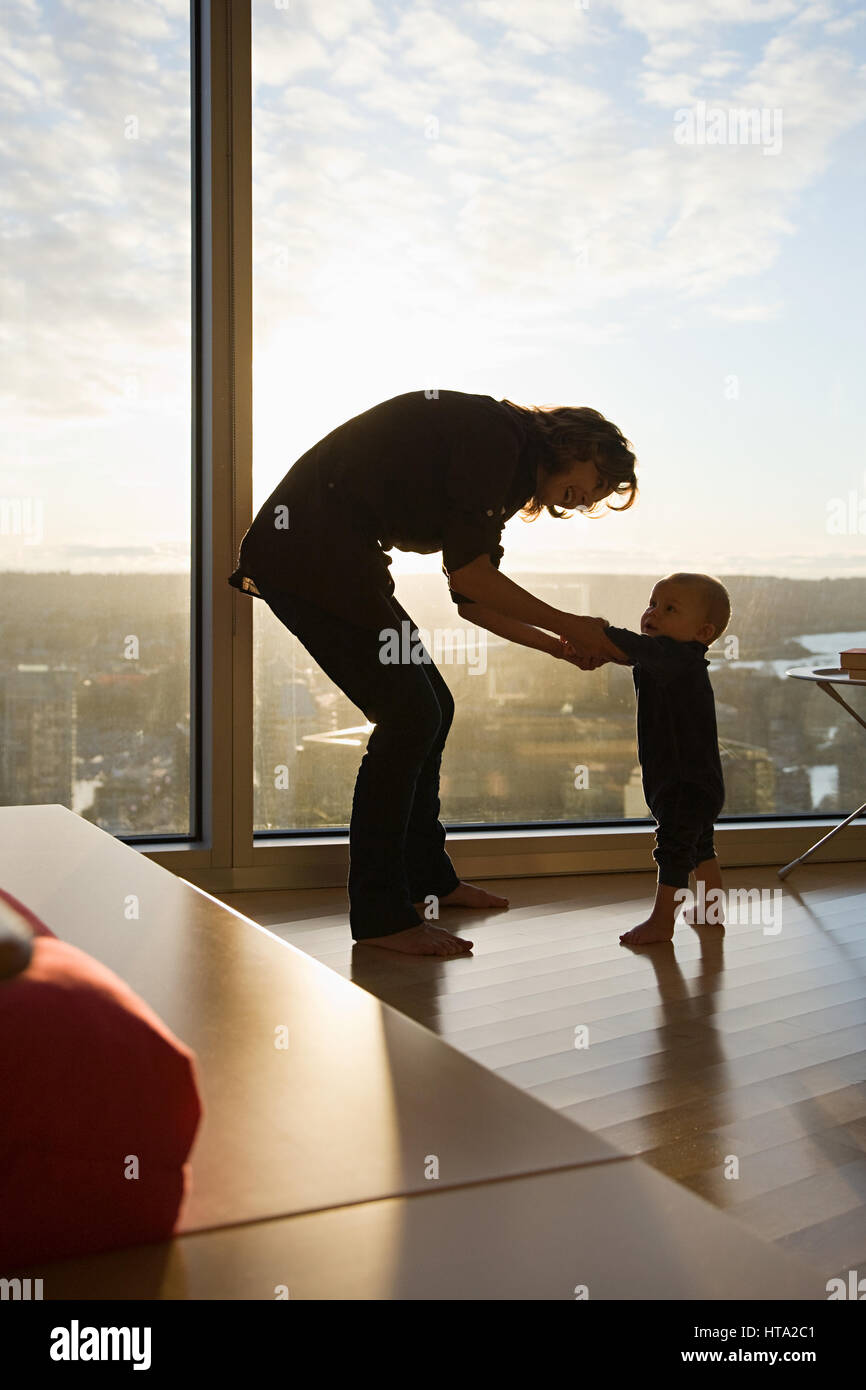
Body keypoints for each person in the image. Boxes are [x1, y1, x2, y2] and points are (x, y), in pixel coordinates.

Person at [229, 388, 638, 956]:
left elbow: (471, 598)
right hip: (308, 554)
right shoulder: (498, 439)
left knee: (433, 708)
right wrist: (574, 623)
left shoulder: (509, 467)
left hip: (341, 557)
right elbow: (472, 578)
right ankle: (380, 917)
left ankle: (428, 880)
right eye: (597, 479)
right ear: (580, 442)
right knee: (410, 715)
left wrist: (559, 645)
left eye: (592, 498)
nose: (584, 499)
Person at [562, 572, 730, 946]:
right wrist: (603, 651)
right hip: (699, 782)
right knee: (699, 845)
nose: (653, 612)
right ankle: (711, 908)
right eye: (653, 603)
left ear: (703, 632)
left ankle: (661, 922)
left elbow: (631, 646)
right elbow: (633, 655)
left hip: (682, 783)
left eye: (670, 608)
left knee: (673, 849)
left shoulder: (672, 657)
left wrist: (600, 632)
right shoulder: (676, 659)